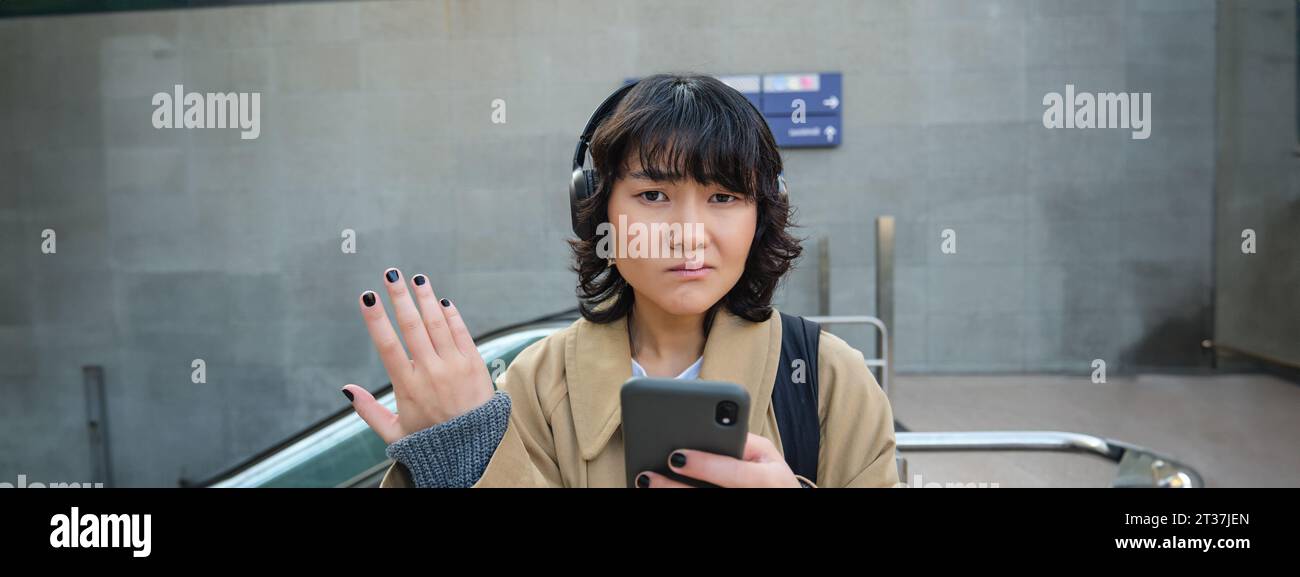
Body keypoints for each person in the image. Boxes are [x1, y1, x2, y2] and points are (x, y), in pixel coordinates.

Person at [341, 73, 898, 488]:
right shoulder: (536, 385)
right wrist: (463, 457)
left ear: (761, 216)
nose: (688, 234)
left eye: (724, 197)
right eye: (653, 195)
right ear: (597, 206)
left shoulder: (828, 382)